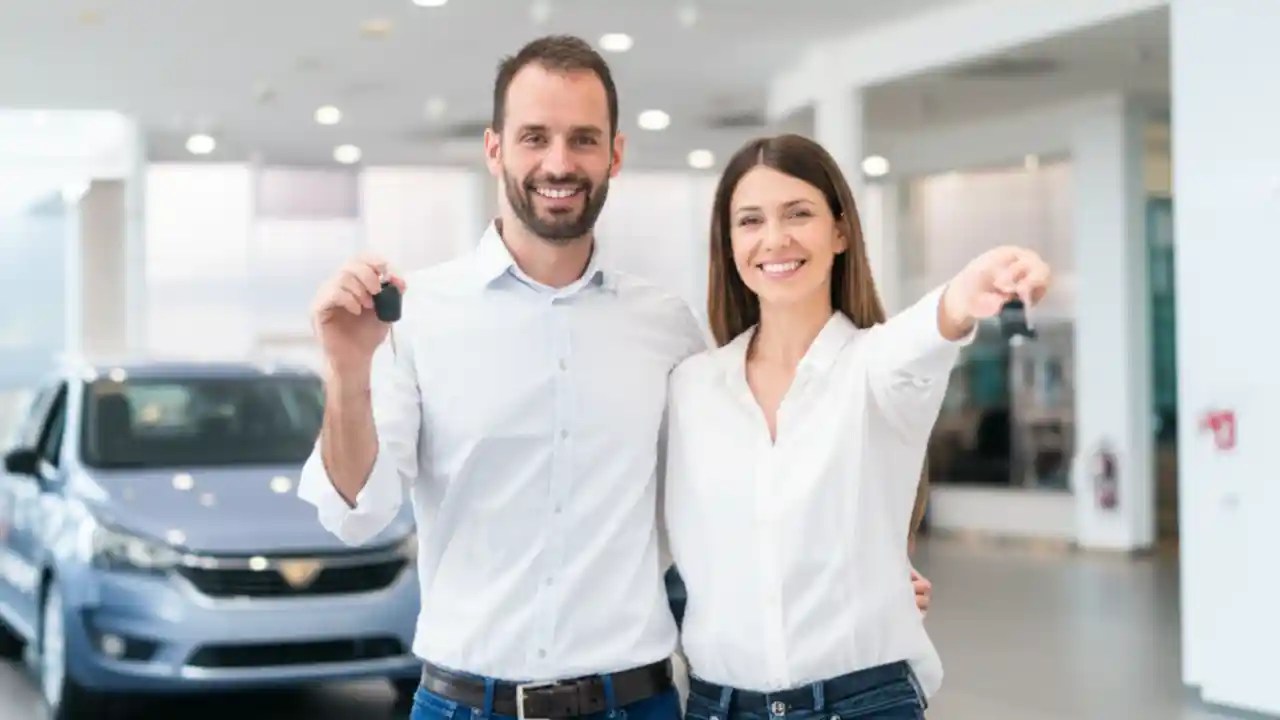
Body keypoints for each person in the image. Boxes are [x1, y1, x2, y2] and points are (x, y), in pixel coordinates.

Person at [298, 35, 931, 720]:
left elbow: (746, 489)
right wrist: (347, 370)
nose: (559, 163)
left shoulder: (667, 328)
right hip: (465, 704)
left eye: (584, 139)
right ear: (494, 149)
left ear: (615, 155)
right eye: (534, 137)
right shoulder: (417, 315)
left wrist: (862, 572)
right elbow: (356, 514)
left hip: (635, 702)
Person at [663, 134, 1051, 720]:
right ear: (729, 242)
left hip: (860, 703)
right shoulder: (692, 387)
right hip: (719, 705)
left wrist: (974, 287)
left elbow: (930, 330)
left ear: (840, 232)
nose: (775, 238)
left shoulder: (876, 367)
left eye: (798, 213)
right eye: (751, 220)